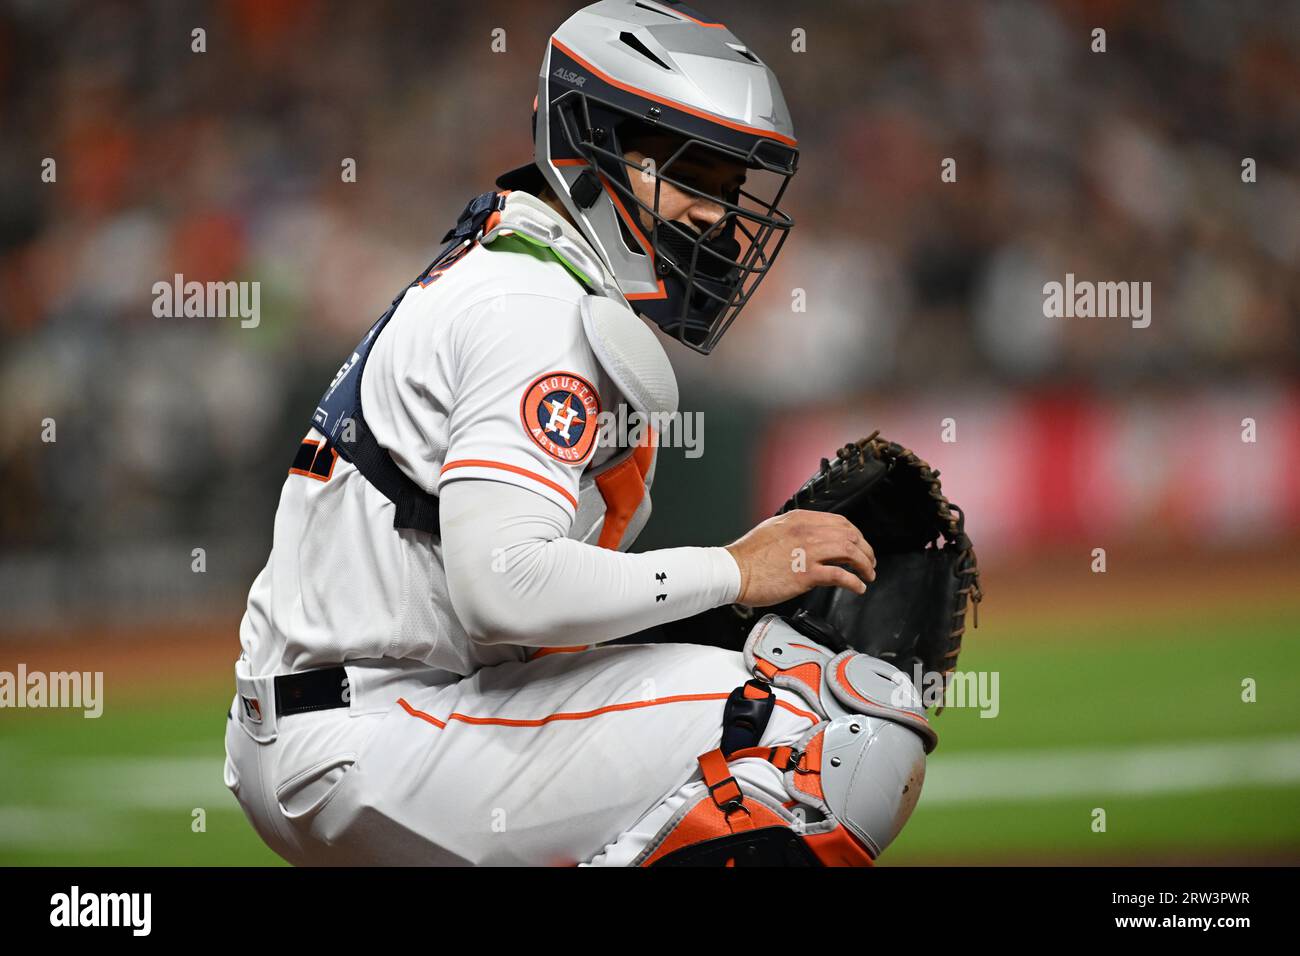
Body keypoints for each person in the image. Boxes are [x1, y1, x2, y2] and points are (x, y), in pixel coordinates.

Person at [223, 0, 932, 867]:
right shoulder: (532, 307)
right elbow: (506, 588)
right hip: (370, 733)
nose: (720, 215)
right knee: (817, 736)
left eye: (731, 186)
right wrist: (734, 569)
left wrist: (721, 599)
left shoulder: (520, 271)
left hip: (369, 715)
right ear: (592, 151)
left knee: (777, 686)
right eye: (694, 176)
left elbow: (502, 609)